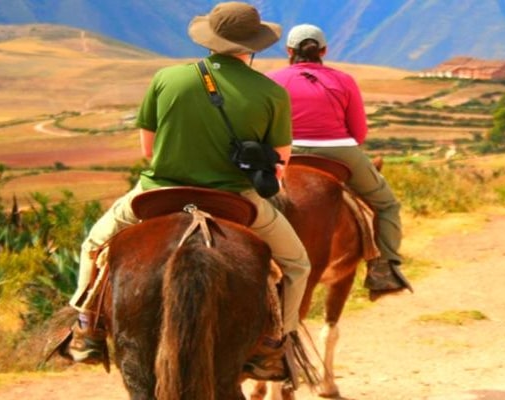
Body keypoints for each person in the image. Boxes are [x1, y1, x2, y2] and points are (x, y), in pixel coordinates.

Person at [56, 2, 310, 381]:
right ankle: (272, 347)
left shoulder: (167, 78)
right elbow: (280, 164)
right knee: (297, 265)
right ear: (253, 45)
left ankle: (88, 328)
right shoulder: (271, 93)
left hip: (160, 191)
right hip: (236, 199)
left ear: (209, 39)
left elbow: (147, 150)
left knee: (93, 244)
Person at [266, 24, 411, 299]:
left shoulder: (271, 79)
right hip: (338, 151)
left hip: (284, 151)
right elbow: (358, 132)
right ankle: (384, 269)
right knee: (386, 204)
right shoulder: (343, 80)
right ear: (323, 51)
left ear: (288, 51)